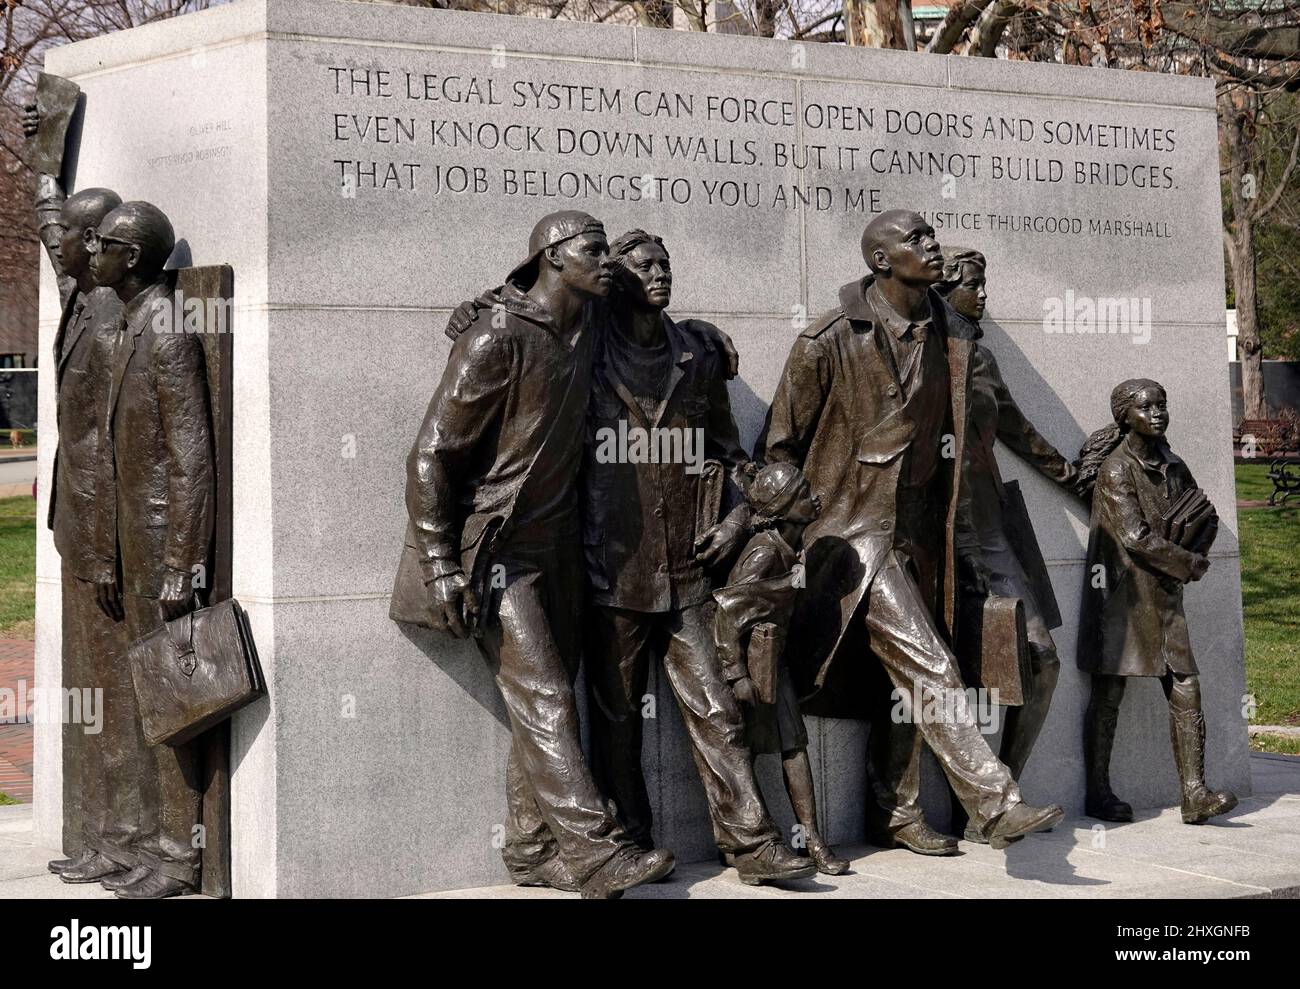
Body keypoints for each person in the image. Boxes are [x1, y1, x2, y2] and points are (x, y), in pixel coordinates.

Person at [758, 209, 1064, 852]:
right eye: (916, 239)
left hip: (929, 533)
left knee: (911, 672)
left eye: (931, 235)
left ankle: (893, 813)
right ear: (879, 259)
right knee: (930, 662)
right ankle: (994, 802)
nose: (932, 247)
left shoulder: (954, 334)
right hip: (853, 534)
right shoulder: (829, 339)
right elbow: (779, 448)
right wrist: (780, 540)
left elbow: (995, 425)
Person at [401, 211, 674, 898]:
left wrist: (707, 341)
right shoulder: (499, 333)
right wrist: (439, 561)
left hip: (561, 549)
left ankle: (529, 850)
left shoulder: (587, 317)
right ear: (553, 256)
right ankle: (596, 853)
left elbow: (654, 302)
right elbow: (430, 455)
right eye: (592, 250)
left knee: (548, 699)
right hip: (497, 549)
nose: (606, 260)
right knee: (548, 695)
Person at [579, 230, 814, 886]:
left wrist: (740, 515)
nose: (659, 273)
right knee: (616, 721)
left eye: (665, 263)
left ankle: (752, 842)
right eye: (643, 265)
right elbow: (525, 313)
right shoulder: (586, 350)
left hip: (687, 568)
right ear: (613, 277)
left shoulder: (694, 353)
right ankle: (628, 844)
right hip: (612, 566)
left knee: (719, 708)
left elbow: (731, 451)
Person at [87, 201, 213, 898]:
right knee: (147, 694)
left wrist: (181, 564)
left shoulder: (166, 333)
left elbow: (192, 461)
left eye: (101, 245)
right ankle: (154, 842)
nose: (93, 253)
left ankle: (179, 853)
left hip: (165, 545)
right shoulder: (133, 323)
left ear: (129, 259)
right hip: (137, 541)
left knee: (170, 697)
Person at [936, 247, 1078, 841]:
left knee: (1041, 660)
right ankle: (921, 808)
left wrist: (1078, 481)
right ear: (944, 290)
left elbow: (1019, 432)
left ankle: (1000, 802)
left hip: (991, 533)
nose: (983, 295)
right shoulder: (914, 358)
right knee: (936, 674)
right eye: (973, 285)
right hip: (932, 537)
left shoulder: (983, 358)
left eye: (985, 284)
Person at [22, 105, 129, 880]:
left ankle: (123, 836)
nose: (54, 245)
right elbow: (48, 223)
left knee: (117, 695)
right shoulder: (82, 299)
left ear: (95, 245)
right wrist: (45, 151)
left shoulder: (118, 316)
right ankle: (97, 833)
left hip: (112, 532)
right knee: (89, 692)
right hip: (77, 523)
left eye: (67, 237)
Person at [1075, 378, 1237, 825]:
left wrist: (1198, 546)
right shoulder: (1115, 470)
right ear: (1125, 415)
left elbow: (1197, 512)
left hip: (1165, 596)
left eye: (1162, 405)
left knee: (1186, 684)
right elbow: (1134, 537)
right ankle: (1098, 792)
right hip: (1121, 599)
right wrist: (1189, 563)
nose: (1157, 413)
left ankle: (1194, 792)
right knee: (1110, 692)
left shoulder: (1174, 463)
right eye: (1146, 407)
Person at [714, 462, 850, 875]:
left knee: (792, 747)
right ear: (786, 506)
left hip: (776, 662)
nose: (813, 497)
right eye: (803, 492)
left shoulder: (794, 544)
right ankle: (743, 842)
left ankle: (809, 839)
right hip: (754, 665)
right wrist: (736, 674)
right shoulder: (764, 551)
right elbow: (728, 610)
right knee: (750, 752)